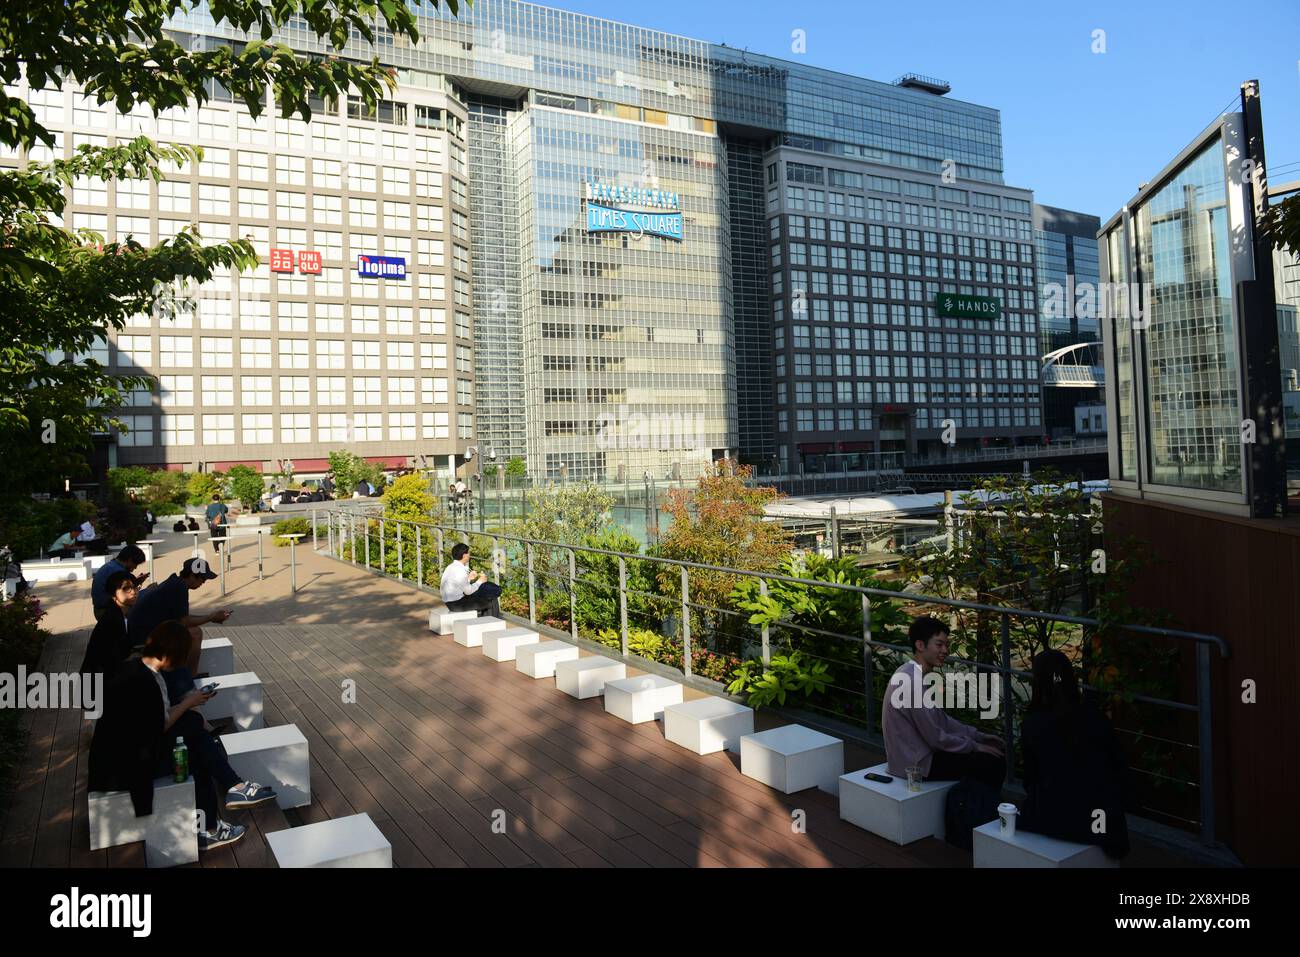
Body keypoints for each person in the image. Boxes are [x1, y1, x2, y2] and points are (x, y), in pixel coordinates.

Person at [87, 620, 277, 852]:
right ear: (173, 655)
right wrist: (189, 702)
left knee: (194, 731)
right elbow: (157, 727)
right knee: (196, 749)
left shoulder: (139, 669)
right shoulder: (143, 680)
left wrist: (189, 704)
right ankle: (223, 805)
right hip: (122, 772)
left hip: (125, 758)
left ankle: (223, 806)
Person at [1019, 649, 1131, 859]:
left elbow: (1030, 779)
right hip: (1100, 822)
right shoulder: (1096, 718)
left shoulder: (1033, 724)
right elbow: (1118, 769)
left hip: (1052, 817)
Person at [882, 615, 1006, 788]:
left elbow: (941, 720)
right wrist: (975, 746)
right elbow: (936, 738)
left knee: (989, 756)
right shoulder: (912, 682)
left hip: (917, 757)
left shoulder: (910, 672)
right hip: (916, 765)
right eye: (939, 644)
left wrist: (978, 736)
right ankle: (982, 813)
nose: (945, 650)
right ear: (920, 645)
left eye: (946, 645)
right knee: (992, 761)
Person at [129, 557, 231, 703]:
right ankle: (188, 680)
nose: (204, 582)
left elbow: (181, 619)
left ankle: (188, 677)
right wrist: (211, 617)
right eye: (202, 578)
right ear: (191, 575)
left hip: (143, 631)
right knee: (194, 634)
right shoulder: (178, 588)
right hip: (143, 637)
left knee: (192, 632)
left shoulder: (174, 582)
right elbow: (184, 621)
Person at [80, 570, 139, 677]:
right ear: (113, 595)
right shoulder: (112, 619)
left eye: (135, 587)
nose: (133, 592)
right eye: (126, 588)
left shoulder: (122, 614)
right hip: (97, 680)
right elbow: (111, 657)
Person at [440, 542, 501, 619]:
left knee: (486, 593)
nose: (469, 555)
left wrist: (468, 579)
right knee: (491, 598)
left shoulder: (450, 567)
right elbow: (468, 591)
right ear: (464, 555)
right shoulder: (460, 570)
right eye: (468, 553)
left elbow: (458, 584)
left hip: (451, 602)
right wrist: (480, 581)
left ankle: (486, 621)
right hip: (457, 604)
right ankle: (492, 624)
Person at [91, 544, 149, 621]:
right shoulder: (118, 572)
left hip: (100, 609)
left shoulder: (111, 565)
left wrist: (136, 582)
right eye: (135, 564)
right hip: (106, 611)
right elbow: (126, 596)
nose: (135, 568)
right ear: (129, 560)